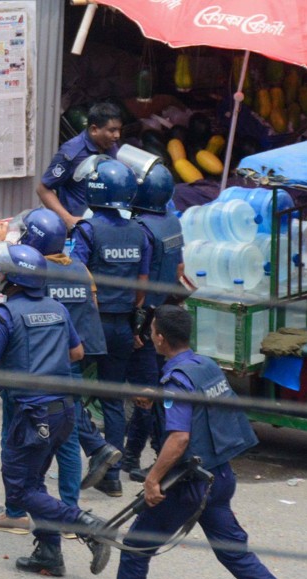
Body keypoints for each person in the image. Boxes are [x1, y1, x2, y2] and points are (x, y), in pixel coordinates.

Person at [75, 305, 307, 579]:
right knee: (235, 552)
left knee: (137, 546)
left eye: (152, 330)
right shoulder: (205, 365)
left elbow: (180, 438)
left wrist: (153, 479)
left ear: (159, 337)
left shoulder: (176, 378)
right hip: (219, 477)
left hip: (186, 484)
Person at [0, 244, 113, 575]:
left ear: (14, 280)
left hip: (33, 415)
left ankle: (88, 524)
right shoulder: (57, 309)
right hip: (63, 411)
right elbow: (77, 353)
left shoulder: (6, 314)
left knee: (21, 489)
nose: (0, 276)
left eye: (3, 272)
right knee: (35, 482)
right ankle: (49, 552)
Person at [0, 209, 120, 534]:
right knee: (65, 445)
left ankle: (17, 511)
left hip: (32, 376)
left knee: (17, 443)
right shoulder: (81, 270)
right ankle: (69, 513)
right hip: (69, 371)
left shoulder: (31, 272)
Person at [71, 158, 151, 497]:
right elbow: (142, 287)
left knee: (66, 392)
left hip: (91, 325)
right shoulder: (139, 231)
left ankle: (88, 454)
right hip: (122, 325)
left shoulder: (87, 230)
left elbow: (76, 277)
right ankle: (113, 477)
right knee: (114, 401)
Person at [122, 164, 184, 479]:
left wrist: (136, 326)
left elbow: (140, 286)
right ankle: (160, 454)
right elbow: (179, 270)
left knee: (146, 394)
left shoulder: (140, 228)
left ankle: (132, 458)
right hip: (167, 316)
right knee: (160, 388)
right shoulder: (172, 222)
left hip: (147, 322)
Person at [37, 102, 122, 229]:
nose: (117, 135)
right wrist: (68, 219)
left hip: (107, 223)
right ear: (94, 129)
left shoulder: (111, 147)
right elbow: (43, 189)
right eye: (112, 130)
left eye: (119, 130)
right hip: (82, 225)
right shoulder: (72, 152)